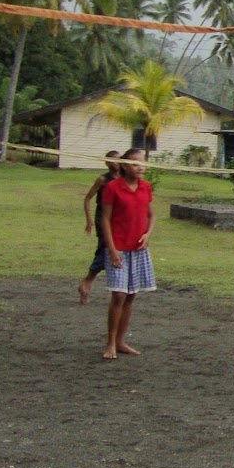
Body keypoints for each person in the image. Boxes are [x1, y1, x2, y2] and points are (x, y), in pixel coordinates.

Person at [97, 148, 154, 360]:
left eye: (143, 163)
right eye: (135, 164)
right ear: (124, 165)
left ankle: (121, 342)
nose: (140, 167)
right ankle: (110, 342)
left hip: (138, 249)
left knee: (131, 295)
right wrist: (111, 249)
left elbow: (151, 214)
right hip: (118, 247)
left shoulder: (145, 187)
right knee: (118, 295)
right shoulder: (113, 187)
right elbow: (105, 219)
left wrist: (148, 234)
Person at [77, 151, 122, 304]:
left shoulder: (124, 179)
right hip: (103, 219)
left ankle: (90, 282)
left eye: (116, 160)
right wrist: (89, 220)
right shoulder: (103, 180)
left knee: (115, 250)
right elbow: (87, 199)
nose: (114, 163)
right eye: (110, 161)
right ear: (106, 163)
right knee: (105, 249)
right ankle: (87, 282)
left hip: (118, 219)